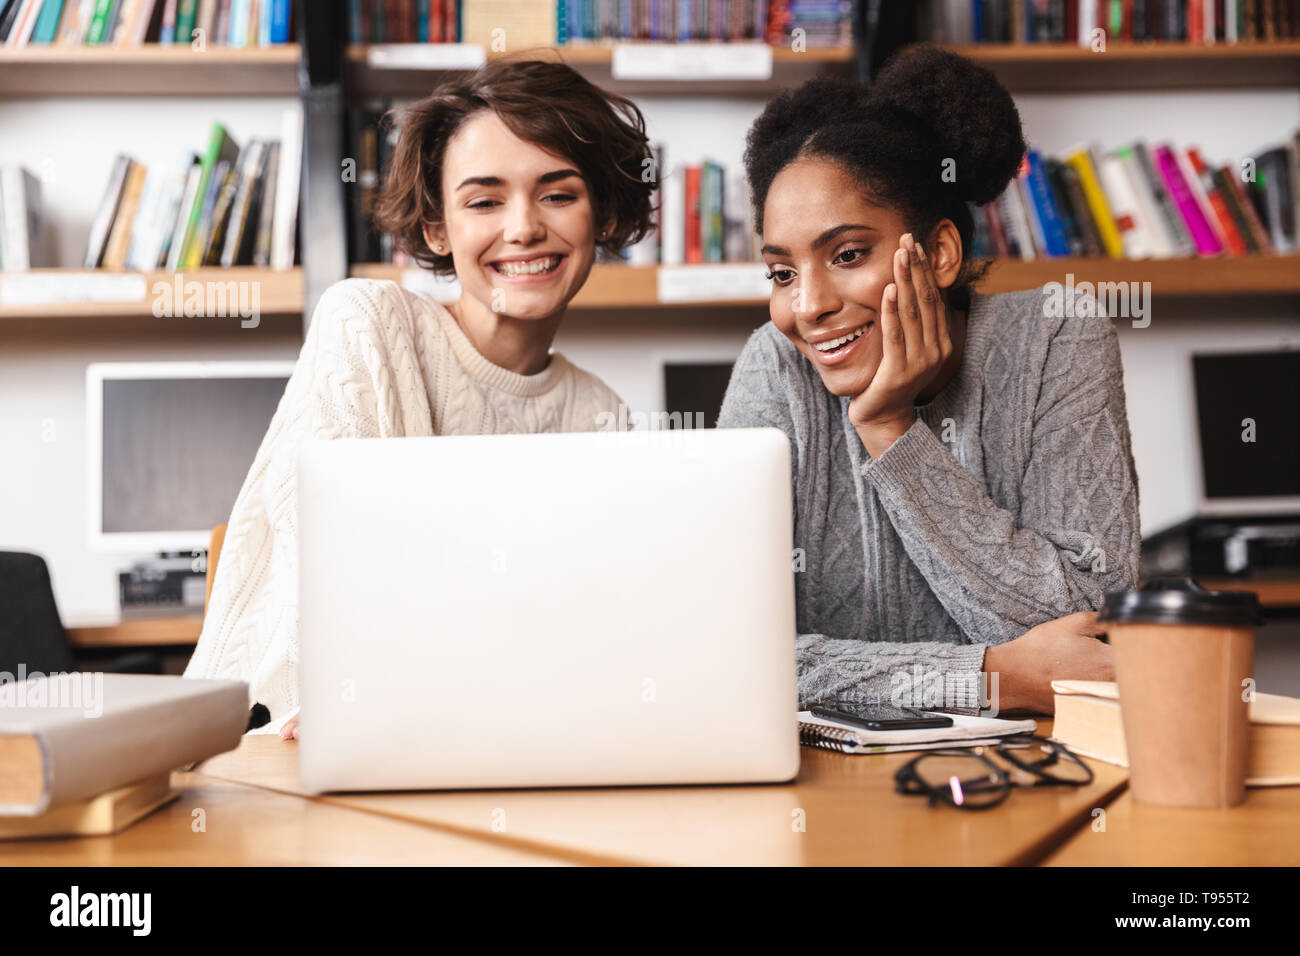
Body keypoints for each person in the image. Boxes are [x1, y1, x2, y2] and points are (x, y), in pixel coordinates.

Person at [184, 59, 655, 735]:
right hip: (277, 736)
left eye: (557, 194)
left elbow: (583, 638)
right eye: (484, 201)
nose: (522, 228)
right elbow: (326, 585)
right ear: (437, 230)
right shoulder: (368, 322)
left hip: (485, 734)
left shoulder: (608, 422)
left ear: (603, 215)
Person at [718, 46, 1140, 715]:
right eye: (782, 272)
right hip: (831, 791)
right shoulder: (776, 365)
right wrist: (992, 676)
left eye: (848, 254)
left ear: (940, 252)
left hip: (1037, 776)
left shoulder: (1058, 335)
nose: (807, 306)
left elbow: (1090, 631)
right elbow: (729, 656)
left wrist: (891, 432)